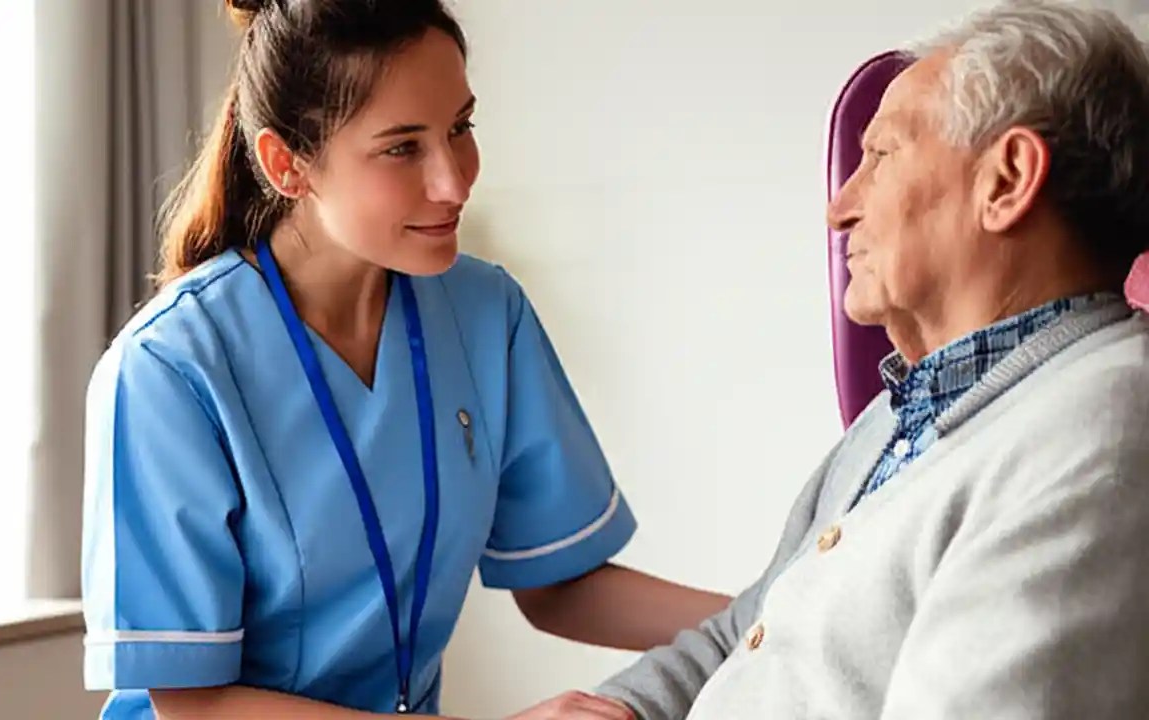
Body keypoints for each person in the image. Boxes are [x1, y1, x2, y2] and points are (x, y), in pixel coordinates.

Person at [79, 0, 731, 718]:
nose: (455, 181)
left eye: (461, 129)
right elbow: (192, 707)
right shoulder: (169, 370)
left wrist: (777, 617)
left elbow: (560, 585)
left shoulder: (487, 315)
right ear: (287, 164)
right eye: (402, 147)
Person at [534, 0, 1149, 718]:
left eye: (881, 154)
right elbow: (748, 631)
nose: (840, 208)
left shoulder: (1102, 430)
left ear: (1007, 180)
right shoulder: (903, 411)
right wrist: (621, 711)